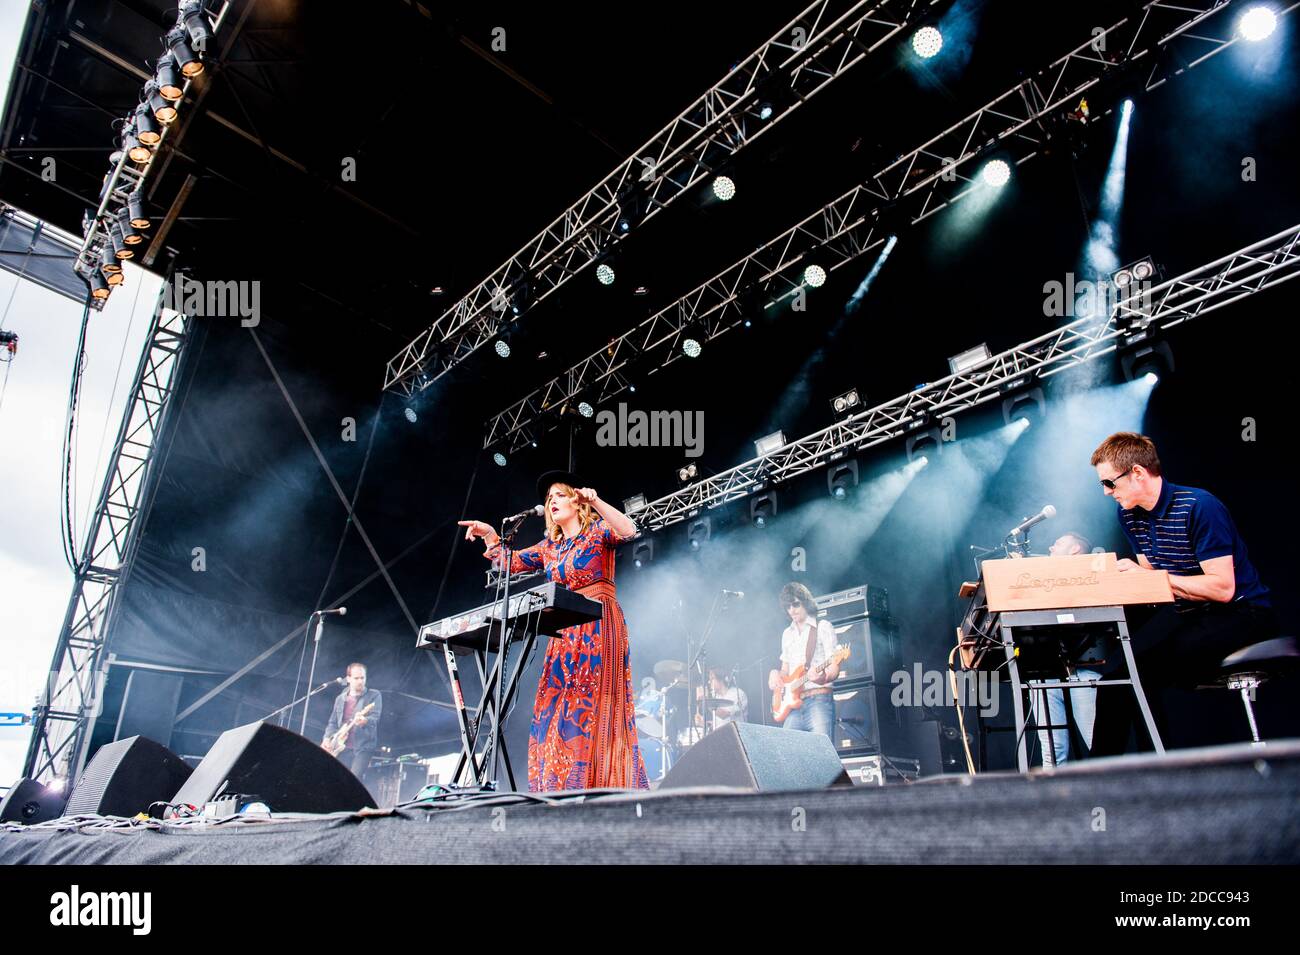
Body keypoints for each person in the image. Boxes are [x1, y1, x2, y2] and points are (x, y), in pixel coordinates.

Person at [459, 470, 649, 791]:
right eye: (548, 499)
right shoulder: (549, 547)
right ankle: (561, 787)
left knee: (591, 701)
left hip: (599, 621)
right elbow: (509, 562)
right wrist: (492, 534)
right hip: (564, 628)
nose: (551, 502)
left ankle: (601, 783)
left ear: (576, 500)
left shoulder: (599, 531)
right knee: (556, 705)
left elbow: (629, 530)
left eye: (559, 495)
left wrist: (597, 500)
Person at [1088, 432, 1276, 754]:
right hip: (1192, 613)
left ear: (1137, 473)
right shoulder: (1129, 514)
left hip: (1243, 613)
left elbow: (1222, 588)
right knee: (1115, 679)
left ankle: (1160, 770)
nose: (1107, 493)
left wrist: (1150, 576)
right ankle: (1094, 779)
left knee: (1140, 672)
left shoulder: (1199, 506)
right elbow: (1152, 582)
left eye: (1109, 483)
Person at [1028, 532, 1102, 765]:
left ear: (1074, 550)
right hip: (1046, 670)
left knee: (1098, 742)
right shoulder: (1042, 580)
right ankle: (1055, 799)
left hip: (1083, 667)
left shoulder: (1093, 574)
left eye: (1058, 543)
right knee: (1052, 748)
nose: (1050, 546)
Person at [769, 582, 840, 741]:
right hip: (794, 705)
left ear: (805, 602)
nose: (792, 610)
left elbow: (834, 668)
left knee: (823, 756)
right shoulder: (787, 634)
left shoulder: (822, 627)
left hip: (818, 701)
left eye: (795, 604)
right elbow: (785, 670)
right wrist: (775, 675)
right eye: (788, 607)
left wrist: (821, 678)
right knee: (787, 752)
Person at [322, 662, 382, 780]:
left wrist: (364, 720)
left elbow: (374, 719)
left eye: (362, 678)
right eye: (356, 678)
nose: (360, 681)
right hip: (341, 747)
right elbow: (333, 723)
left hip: (363, 747)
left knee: (354, 779)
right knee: (336, 779)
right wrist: (326, 738)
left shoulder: (373, 695)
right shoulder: (340, 698)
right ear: (348, 679)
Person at [696, 666, 748, 732]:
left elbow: (724, 715)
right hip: (722, 736)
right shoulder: (717, 697)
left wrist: (707, 702)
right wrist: (706, 724)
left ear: (721, 679)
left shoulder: (737, 693)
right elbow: (720, 723)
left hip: (736, 735)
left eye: (712, 679)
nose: (709, 682)